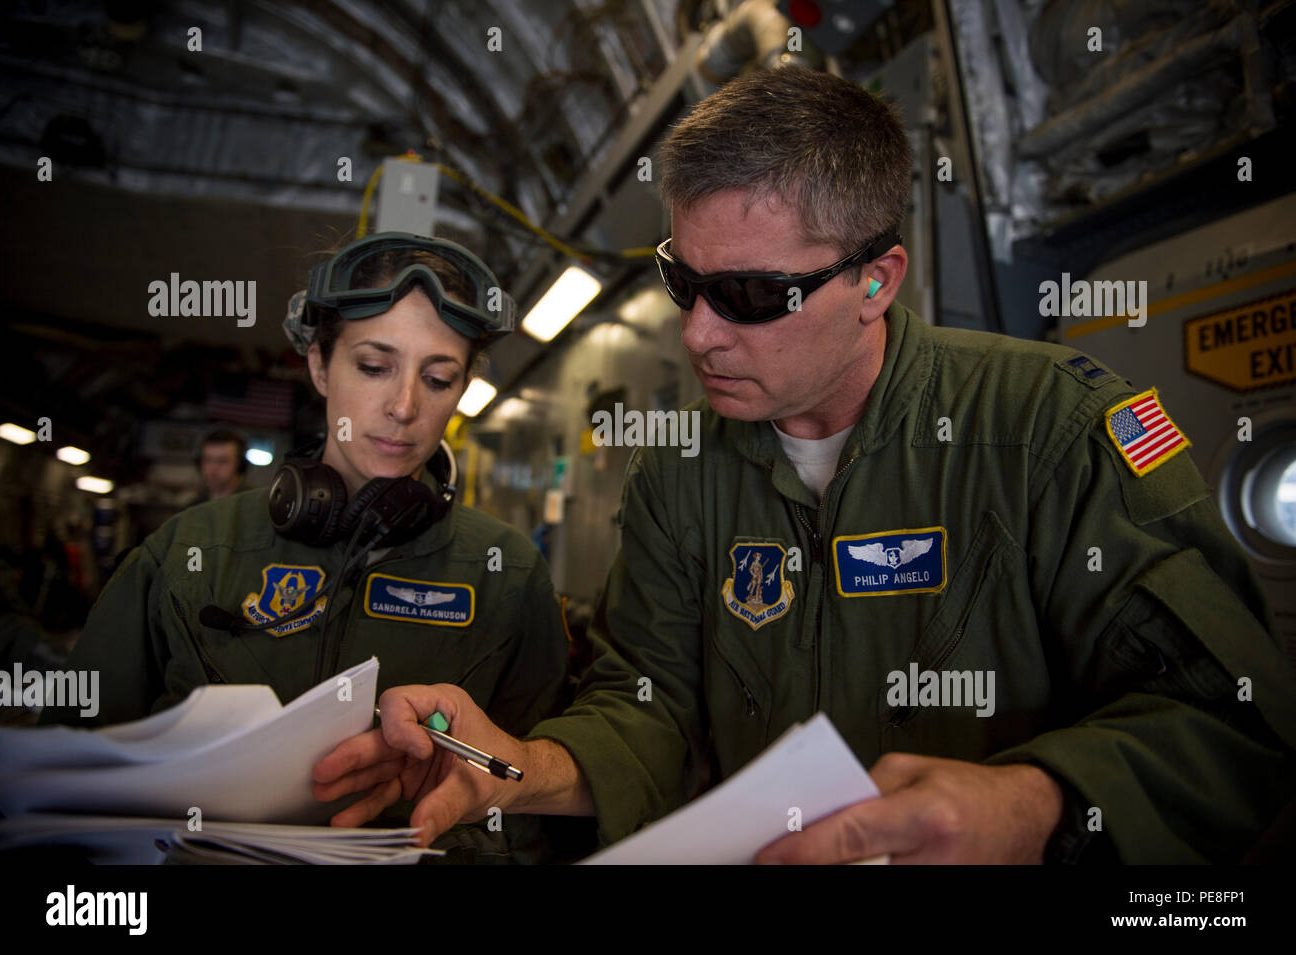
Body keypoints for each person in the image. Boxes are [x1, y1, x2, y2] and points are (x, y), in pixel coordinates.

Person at [314, 68, 1296, 863]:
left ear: (876, 279)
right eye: (681, 281)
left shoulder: (1055, 431)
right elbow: (645, 706)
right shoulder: (682, 478)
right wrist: (527, 764)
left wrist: (1037, 802)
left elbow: (1233, 722)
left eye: (748, 293)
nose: (698, 333)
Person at [40, 232, 571, 863]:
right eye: (373, 367)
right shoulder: (193, 552)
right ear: (320, 365)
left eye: (438, 378)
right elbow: (65, 771)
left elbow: (535, 810)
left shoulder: (506, 576)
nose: (403, 406)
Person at [194, 429, 249, 502]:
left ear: (240, 464)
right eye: (207, 460)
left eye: (222, 461)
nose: (213, 468)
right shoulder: (194, 507)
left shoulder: (254, 503)